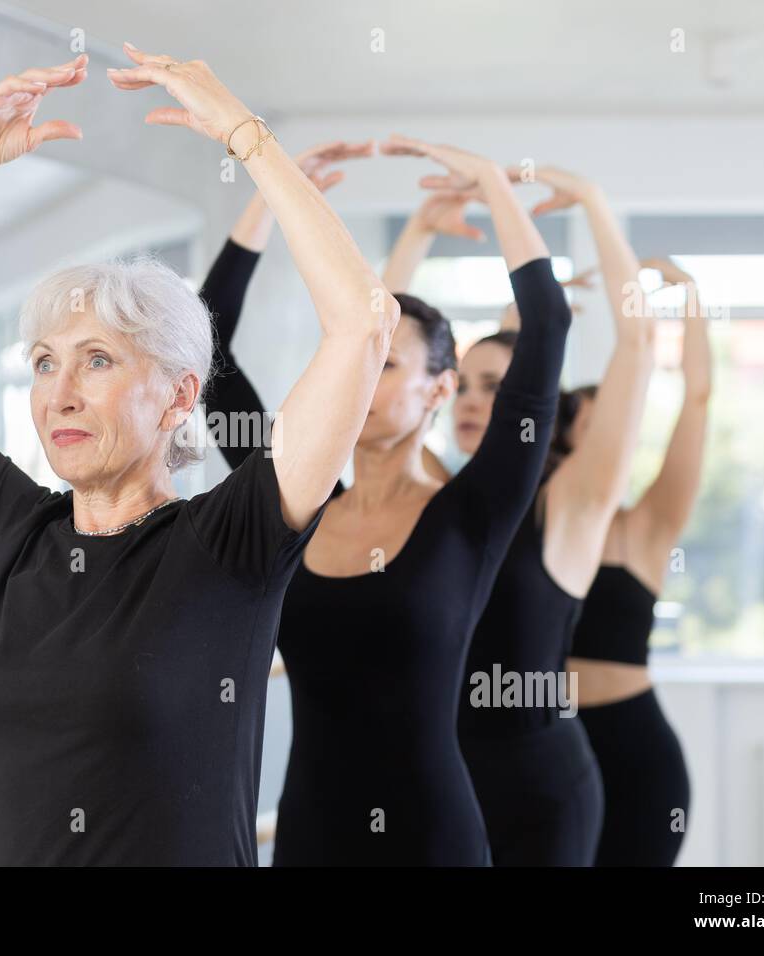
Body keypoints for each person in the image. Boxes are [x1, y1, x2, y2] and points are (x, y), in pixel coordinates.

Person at [0, 47, 401, 865]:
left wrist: (246, 138)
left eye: (97, 360)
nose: (58, 393)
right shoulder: (8, 530)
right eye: (44, 362)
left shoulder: (231, 539)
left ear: (180, 397)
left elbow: (362, 322)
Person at [201, 134, 572, 864]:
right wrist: (270, 194)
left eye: (389, 362)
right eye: (358, 357)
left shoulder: (475, 513)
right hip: (309, 835)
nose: (363, 378)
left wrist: (494, 182)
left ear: (441, 387)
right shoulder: (293, 500)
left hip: (431, 838)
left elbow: (548, 324)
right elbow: (207, 340)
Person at [437, 163, 657, 865]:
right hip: (445, 775)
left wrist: (594, 203)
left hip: (540, 788)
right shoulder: (441, 498)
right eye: (463, 385)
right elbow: (384, 350)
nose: (472, 401)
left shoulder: (572, 504)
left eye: (494, 387)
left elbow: (639, 346)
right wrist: (419, 232)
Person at [567, 257, 710, 866]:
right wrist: (530, 312)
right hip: (553, 747)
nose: (614, 442)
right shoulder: (532, 527)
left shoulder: (648, 527)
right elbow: (504, 405)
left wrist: (691, 300)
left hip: (637, 753)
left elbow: (698, 401)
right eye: (599, 427)